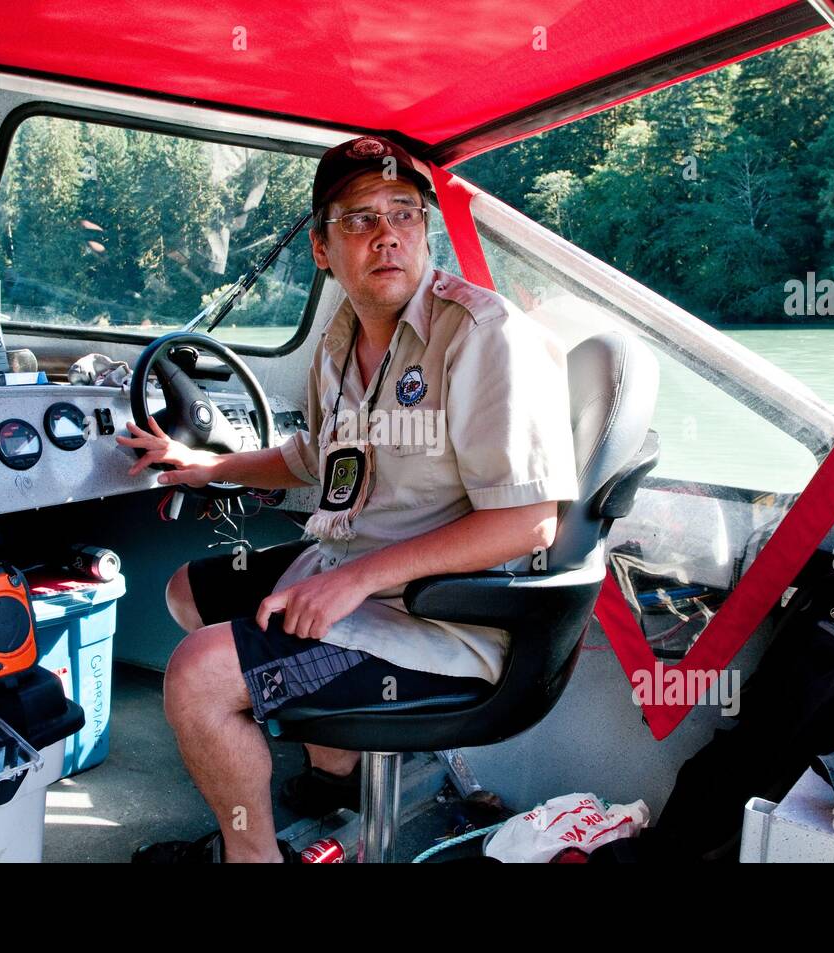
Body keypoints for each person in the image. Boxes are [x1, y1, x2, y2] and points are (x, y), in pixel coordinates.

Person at [117, 135, 578, 862]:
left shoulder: (484, 336)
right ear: (323, 248)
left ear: (425, 227)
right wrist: (206, 464)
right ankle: (337, 773)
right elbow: (317, 459)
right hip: (354, 571)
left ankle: (253, 856)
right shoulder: (338, 342)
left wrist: (349, 582)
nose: (387, 233)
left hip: (441, 619)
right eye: (359, 218)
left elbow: (527, 521)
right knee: (186, 592)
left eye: (404, 212)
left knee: (198, 676)